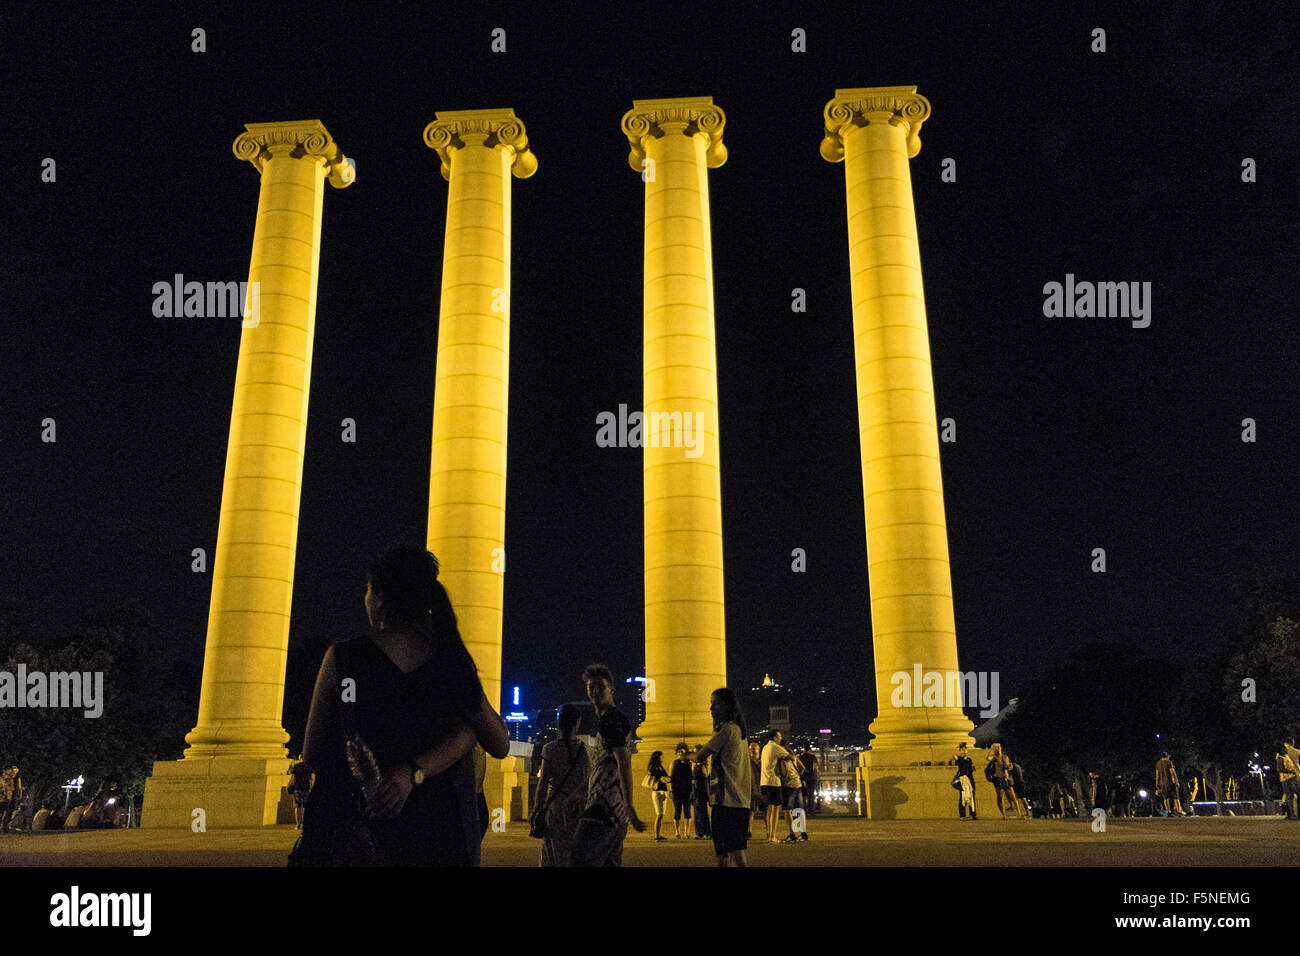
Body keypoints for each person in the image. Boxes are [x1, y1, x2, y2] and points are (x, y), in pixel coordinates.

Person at [299, 547, 510, 866]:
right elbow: (500, 742)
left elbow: (313, 753)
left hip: (352, 836)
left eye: (368, 591)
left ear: (381, 599)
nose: (366, 599)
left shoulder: (343, 659)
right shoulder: (451, 664)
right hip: (434, 838)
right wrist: (418, 769)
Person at [569, 664, 646, 866]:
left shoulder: (610, 720)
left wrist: (630, 804)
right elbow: (604, 767)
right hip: (614, 812)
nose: (595, 691)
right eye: (591, 687)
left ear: (611, 688)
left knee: (578, 858)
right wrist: (582, 790)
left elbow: (624, 762)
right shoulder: (614, 719)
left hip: (603, 809)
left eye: (600, 686)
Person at [690, 687, 752, 866]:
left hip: (725, 802)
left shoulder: (726, 730)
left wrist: (687, 756)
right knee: (737, 853)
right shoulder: (740, 731)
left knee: (724, 856)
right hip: (741, 802)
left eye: (715, 704)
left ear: (727, 706)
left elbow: (701, 756)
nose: (711, 709)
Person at [533, 703, 588, 866]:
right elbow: (587, 783)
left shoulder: (549, 749)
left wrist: (536, 808)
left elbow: (542, 784)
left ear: (559, 723)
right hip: (576, 809)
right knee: (573, 853)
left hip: (555, 808)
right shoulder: (584, 750)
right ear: (577, 723)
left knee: (552, 853)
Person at [760, 730, 795, 843]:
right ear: (775, 737)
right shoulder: (775, 747)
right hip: (773, 781)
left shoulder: (765, 747)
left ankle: (770, 834)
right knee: (776, 809)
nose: (781, 738)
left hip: (764, 781)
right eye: (779, 736)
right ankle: (773, 836)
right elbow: (791, 757)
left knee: (770, 809)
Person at [984, 743, 1023, 819]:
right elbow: (988, 759)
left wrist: (1010, 767)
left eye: (999, 748)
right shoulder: (994, 758)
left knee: (1013, 796)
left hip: (1006, 779)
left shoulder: (1005, 757)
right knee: (1000, 797)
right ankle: (1003, 815)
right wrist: (991, 749)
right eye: (996, 748)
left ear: (1001, 748)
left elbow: (1010, 766)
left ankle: (1019, 813)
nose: (998, 749)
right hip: (998, 779)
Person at [778, 740, 807, 842]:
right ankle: (803, 833)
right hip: (797, 783)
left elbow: (783, 772)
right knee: (799, 809)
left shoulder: (782, 758)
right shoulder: (793, 756)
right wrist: (797, 776)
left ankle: (792, 833)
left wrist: (784, 778)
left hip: (788, 785)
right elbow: (802, 768)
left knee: (787, 810)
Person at [645, 750, 672, 841]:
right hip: (657, 792)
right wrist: (664, 779)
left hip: (663, 791)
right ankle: (656, 836)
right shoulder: (653, 767)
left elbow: (667, 778)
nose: (663, 757)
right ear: (658, 757)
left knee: (661, 815)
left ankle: (659, 834)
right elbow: (661, 778)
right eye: (662, 756)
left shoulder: (660, 767)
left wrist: (665, 779)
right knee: (659, 814)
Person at [670, 743, 694, 838]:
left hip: (688, 790)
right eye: (678, 751)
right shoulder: (674, 763)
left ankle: (687, 832)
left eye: (682, 750)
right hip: (677, 790)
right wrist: (670, 790)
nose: (680, 752)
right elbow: (670, 777)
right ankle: (677, 831)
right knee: (677, 811)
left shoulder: (690, 763)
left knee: (687, 811)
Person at [1155, 752, 1186, 817]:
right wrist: (1176, 781)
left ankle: (1168, 811)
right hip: (1170, 782)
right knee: (1176, 796)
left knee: (1165, 797)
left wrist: (1157, 783)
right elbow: (1173, 773)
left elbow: (1157, 774)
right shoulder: (1169, 762)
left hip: (1162, 783)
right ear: (1167, 756)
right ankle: (1179, 810)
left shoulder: (1158, 763)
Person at [954, 742, 977, 820]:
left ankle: (973, 814)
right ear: (960, 750)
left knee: (971, 797)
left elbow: (972, 768)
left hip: (970, 779)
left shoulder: (969, 759)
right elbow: (958, 761)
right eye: (963, 749)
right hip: (963, 779)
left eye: (965, 749)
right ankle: (962, 815)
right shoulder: (958, 758)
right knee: (963, 797)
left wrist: (973, 767)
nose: (964, 751)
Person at [1275, 741, 1299, 819]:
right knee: (1289, 795)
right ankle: (1292, 814)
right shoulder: (1280, 756)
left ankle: (1293, 814)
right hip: (1286, 778)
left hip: (1292, 777)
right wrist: (1291, 771)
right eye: (1285, 748)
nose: (1286, 749)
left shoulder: (1285, 755)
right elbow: (1280, 768)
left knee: (1292, 795)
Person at [288, 755, 312, 829]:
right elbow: (311, 779)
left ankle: (297, 824)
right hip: (306, 788)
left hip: (297, 788)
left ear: (299, 758)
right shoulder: (309, 766)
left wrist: (288, 785)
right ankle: (305, 824)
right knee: (305, 808)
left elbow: (293, 778)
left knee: (297, 807)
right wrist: (311, 787)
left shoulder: (296, 766)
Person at [692, 751, 712, 838]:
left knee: (702, 812)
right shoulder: (696, 765)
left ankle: (706, 832)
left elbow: (706, 779)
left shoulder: (703, 765)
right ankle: (700, 832)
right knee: (697, 813)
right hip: (696, 791)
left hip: (701, 791)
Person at [1, 766, 21, 833]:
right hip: (3, 798)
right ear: (5, 771)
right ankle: (3, 827)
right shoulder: (2, 779)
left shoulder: (14, 779)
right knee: (3, 812)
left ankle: (4, 827)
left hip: (10, 798)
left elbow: (14, 789)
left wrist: (17, 796)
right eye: (12, 770)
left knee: (8, 813)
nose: (13, 772)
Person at [749, 742, 765, 819]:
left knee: (766, 811)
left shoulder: (763, 761)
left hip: (762, 787)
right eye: (750, 749)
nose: (752, 751)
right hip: (751, 789)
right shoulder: (747, 762)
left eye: (754, 749)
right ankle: (749, 831)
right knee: (751, 811)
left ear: (758, 749)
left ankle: (769, 830)